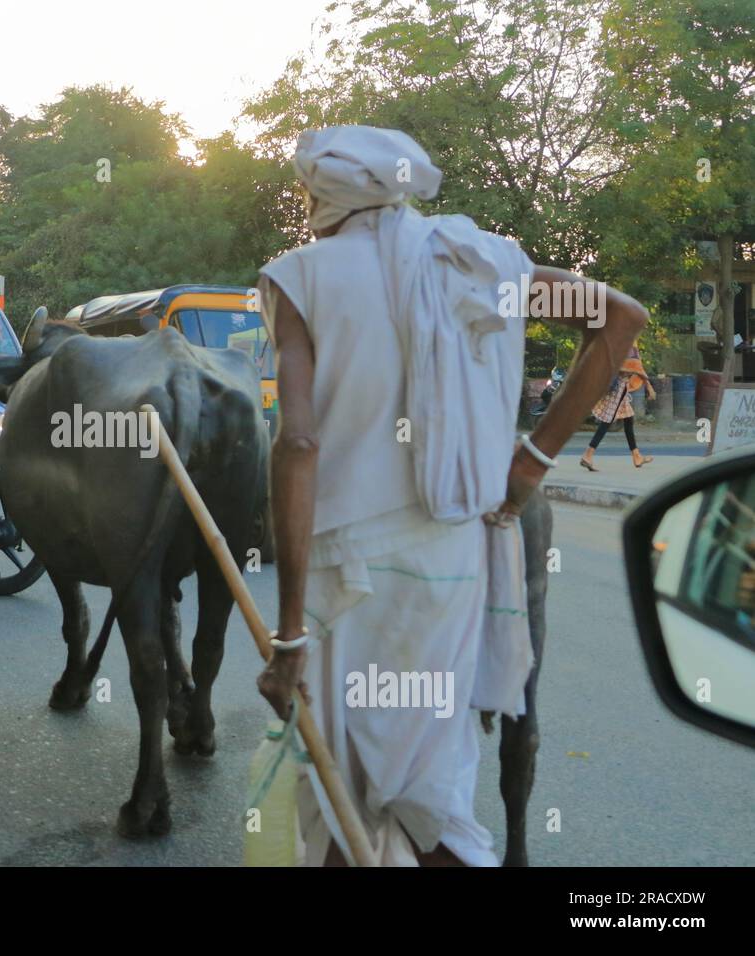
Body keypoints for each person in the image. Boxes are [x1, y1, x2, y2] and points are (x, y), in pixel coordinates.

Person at [254, 125, 647, 866]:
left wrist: (290, 635)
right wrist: (531, 463)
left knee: (340, 792)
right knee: (427, 792)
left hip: (348, 576)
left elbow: (299, 444)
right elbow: (621, 318)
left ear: (321, 195)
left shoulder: (297, 276)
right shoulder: (480, 261)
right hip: (453, 563)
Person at [579, 343, 656, 471]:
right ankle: (588, 454)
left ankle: (636, 456)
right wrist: (649, 386)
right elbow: (635, 366)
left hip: (617, 385)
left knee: (628, 420)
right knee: (607, 421)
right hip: (618, 386)